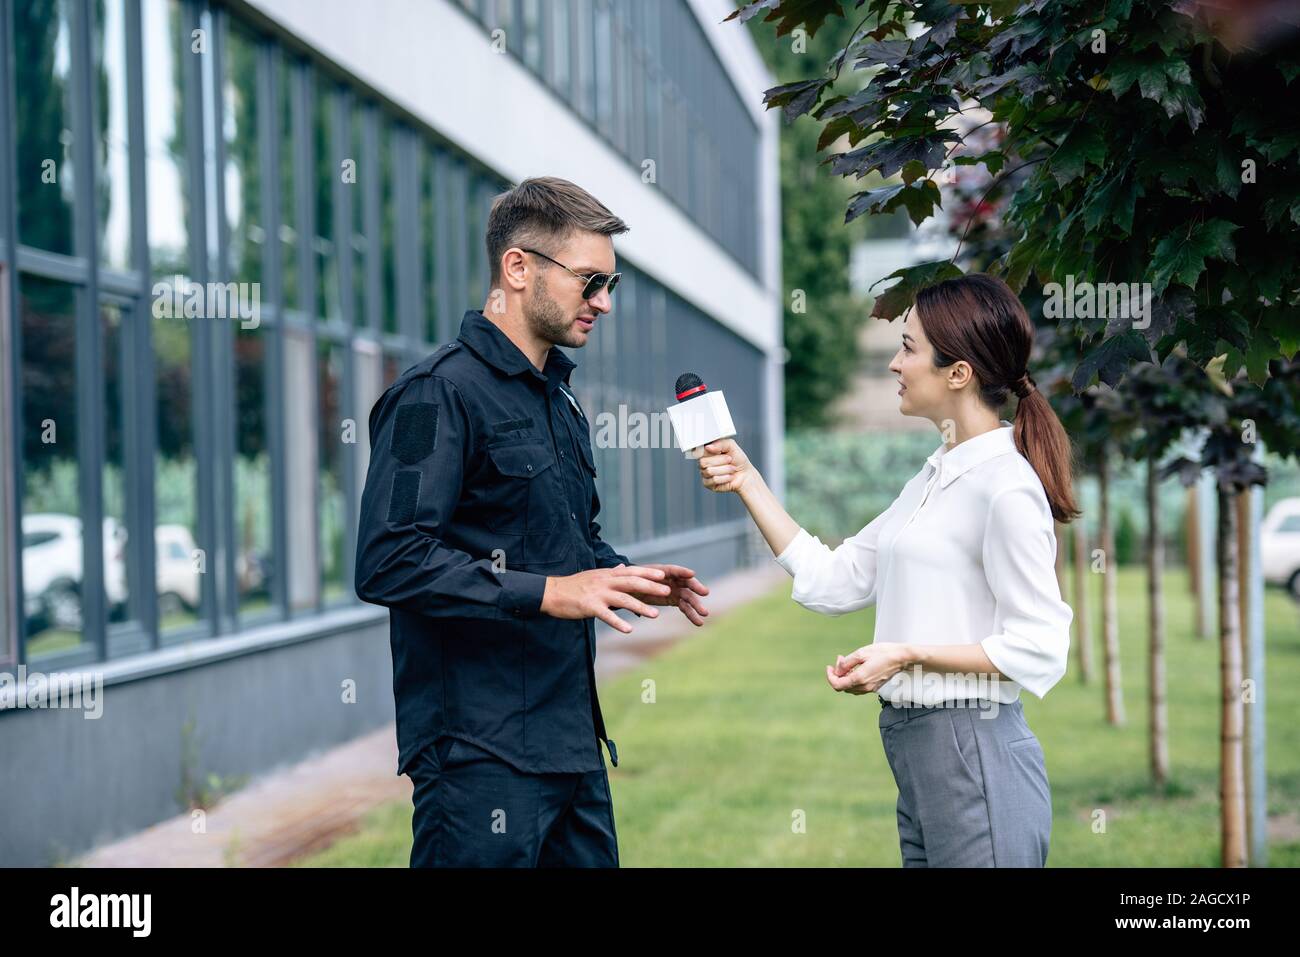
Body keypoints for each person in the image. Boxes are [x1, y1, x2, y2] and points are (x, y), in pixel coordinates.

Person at [355, 176, 709, 867]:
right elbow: (389, 557)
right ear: (518, 268)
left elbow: (559, 545)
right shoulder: (436, 395)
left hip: (572, 743)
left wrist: (621, 574)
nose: (603, 303)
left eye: (610, 285)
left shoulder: (559, 400)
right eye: (589, 282)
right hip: (478, 756)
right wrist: (553, 592)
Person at [696, 273, 1078, 867]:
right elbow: (832, 580)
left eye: (908, 347)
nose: (895, 364)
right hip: (917, 751)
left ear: (959, 373)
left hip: (971, 748)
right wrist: (747, 479)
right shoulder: (933, 478)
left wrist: (906, 654)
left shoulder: (1005, 486)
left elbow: (1040, 645)